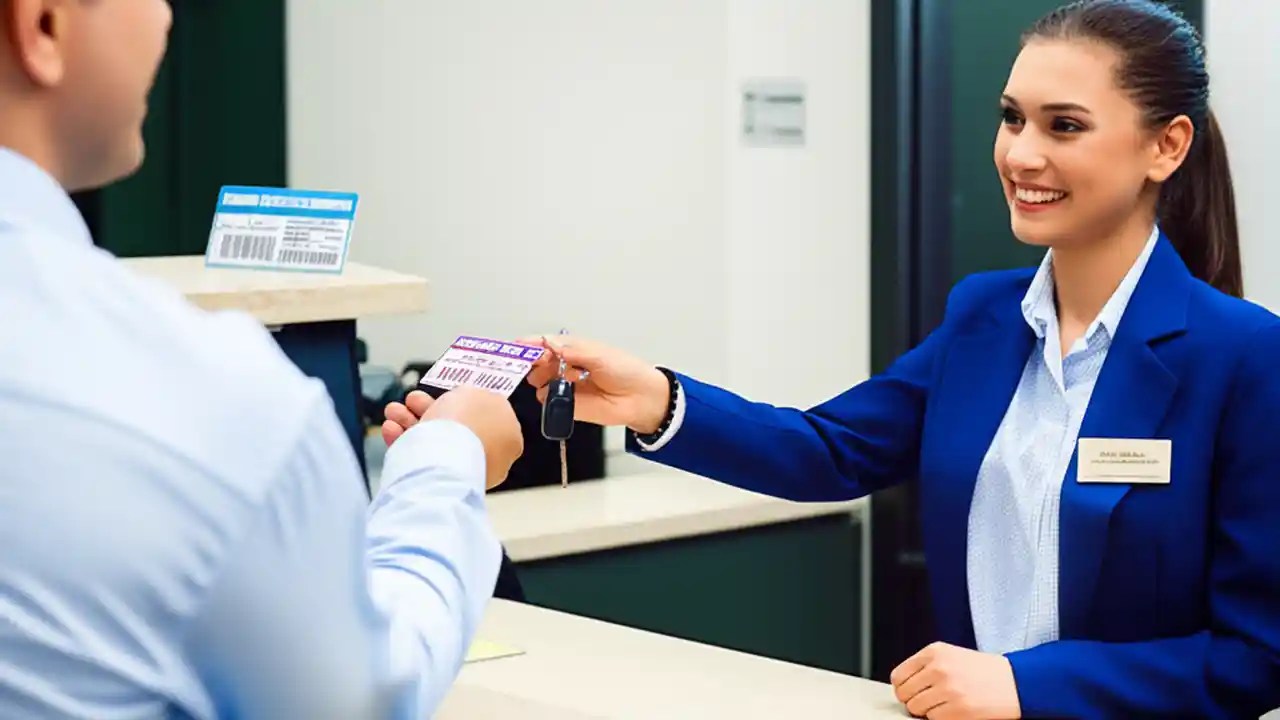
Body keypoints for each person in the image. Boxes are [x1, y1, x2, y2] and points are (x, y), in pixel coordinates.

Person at [393, 1, 1280, 717]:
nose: (1021, 153)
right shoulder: (984, 318)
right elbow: (831, 449)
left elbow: (1254, 659)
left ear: (1166, 146)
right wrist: (651, 401)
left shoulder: (1242, 358)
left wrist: (1029, 684)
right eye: (1011, 117)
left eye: (1066, 125)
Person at [0, 1, 522, 718]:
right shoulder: (208, 403)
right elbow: (370, 695)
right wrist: (448, 456)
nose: (165, 19)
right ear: (44, 25)